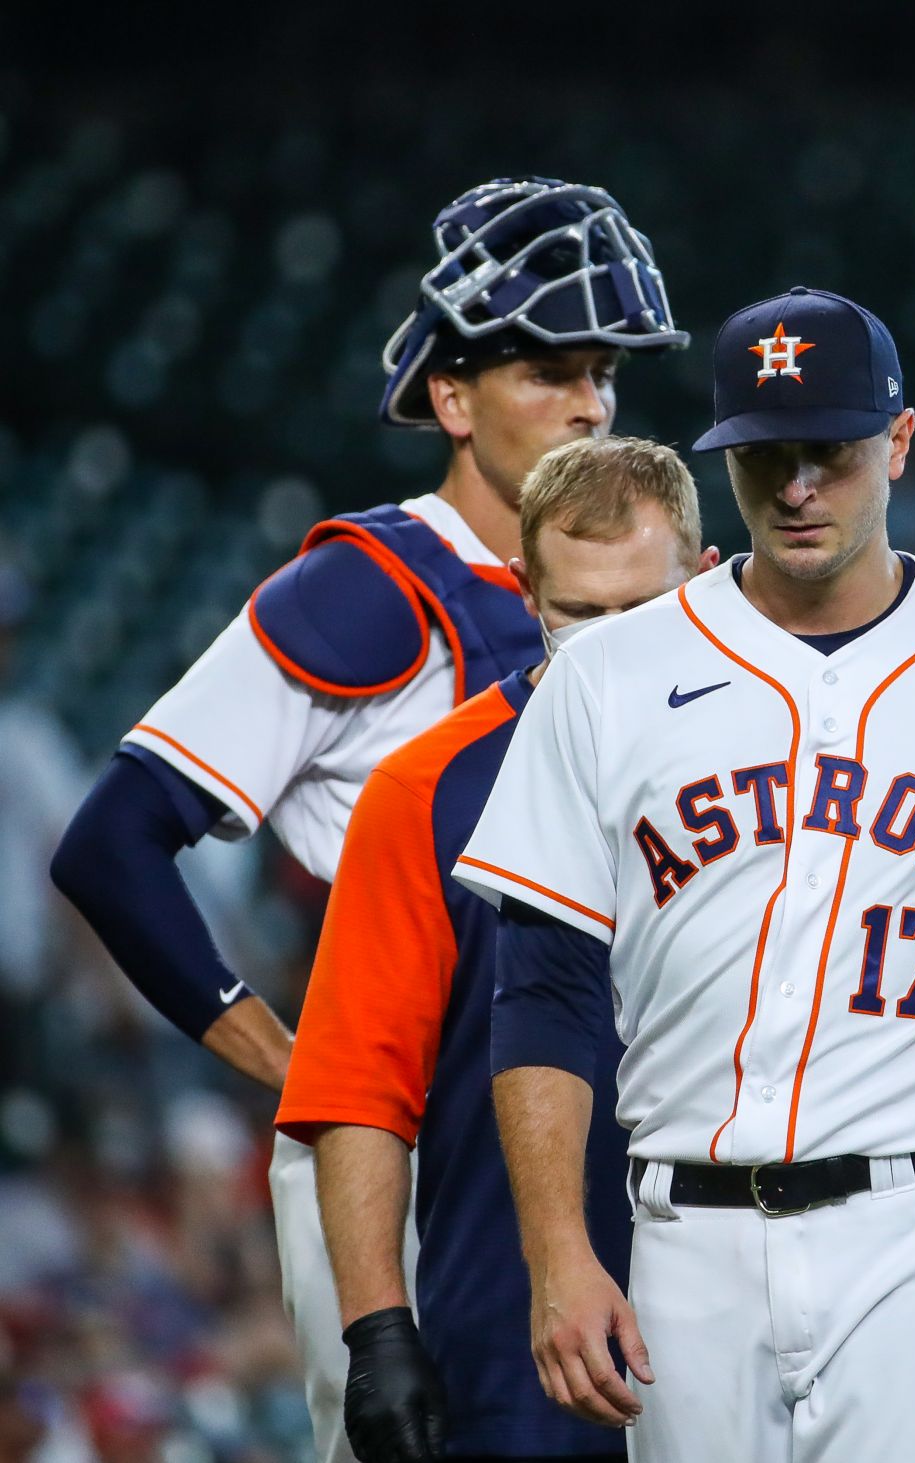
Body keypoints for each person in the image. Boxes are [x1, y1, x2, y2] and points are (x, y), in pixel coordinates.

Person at [49, 177, 688, 1463]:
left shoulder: (644, 589)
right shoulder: (372, 584)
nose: (588, 403)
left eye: (604, 374)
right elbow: (112, 840)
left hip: (602, 1109)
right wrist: (299, 1066)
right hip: (408, 1136)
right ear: (450, 399)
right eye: (548, 369)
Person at [453, 286, 915, 1461]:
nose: (798, 486)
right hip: (685, 1231)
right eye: (766, 457)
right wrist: (560, 1251)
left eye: (831, 452)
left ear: (899, 443)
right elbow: (542, 985)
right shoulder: (609, 673)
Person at [276, 437, 717, 1463]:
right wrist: (377, 1326)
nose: (609, 647)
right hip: (510, 1328)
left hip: (739, 1308)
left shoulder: (785, 766)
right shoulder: (427, 786)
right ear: (524, 592)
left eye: (640, 614)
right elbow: (356, 1086)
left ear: (703, 583)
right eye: (580, 614)